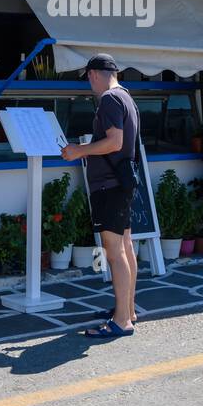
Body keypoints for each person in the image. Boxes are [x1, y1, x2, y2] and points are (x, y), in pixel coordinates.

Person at [61, 54, 139, 339]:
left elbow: (114, 141)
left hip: (109, 185)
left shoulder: (108, 99)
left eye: (88, 77)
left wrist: (78, 150)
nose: (89, 83)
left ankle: (121, 322)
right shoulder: (127, 97)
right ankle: (127, 310)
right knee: (126, 246)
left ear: (94, 73)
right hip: (123, 182)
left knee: (114, 251)